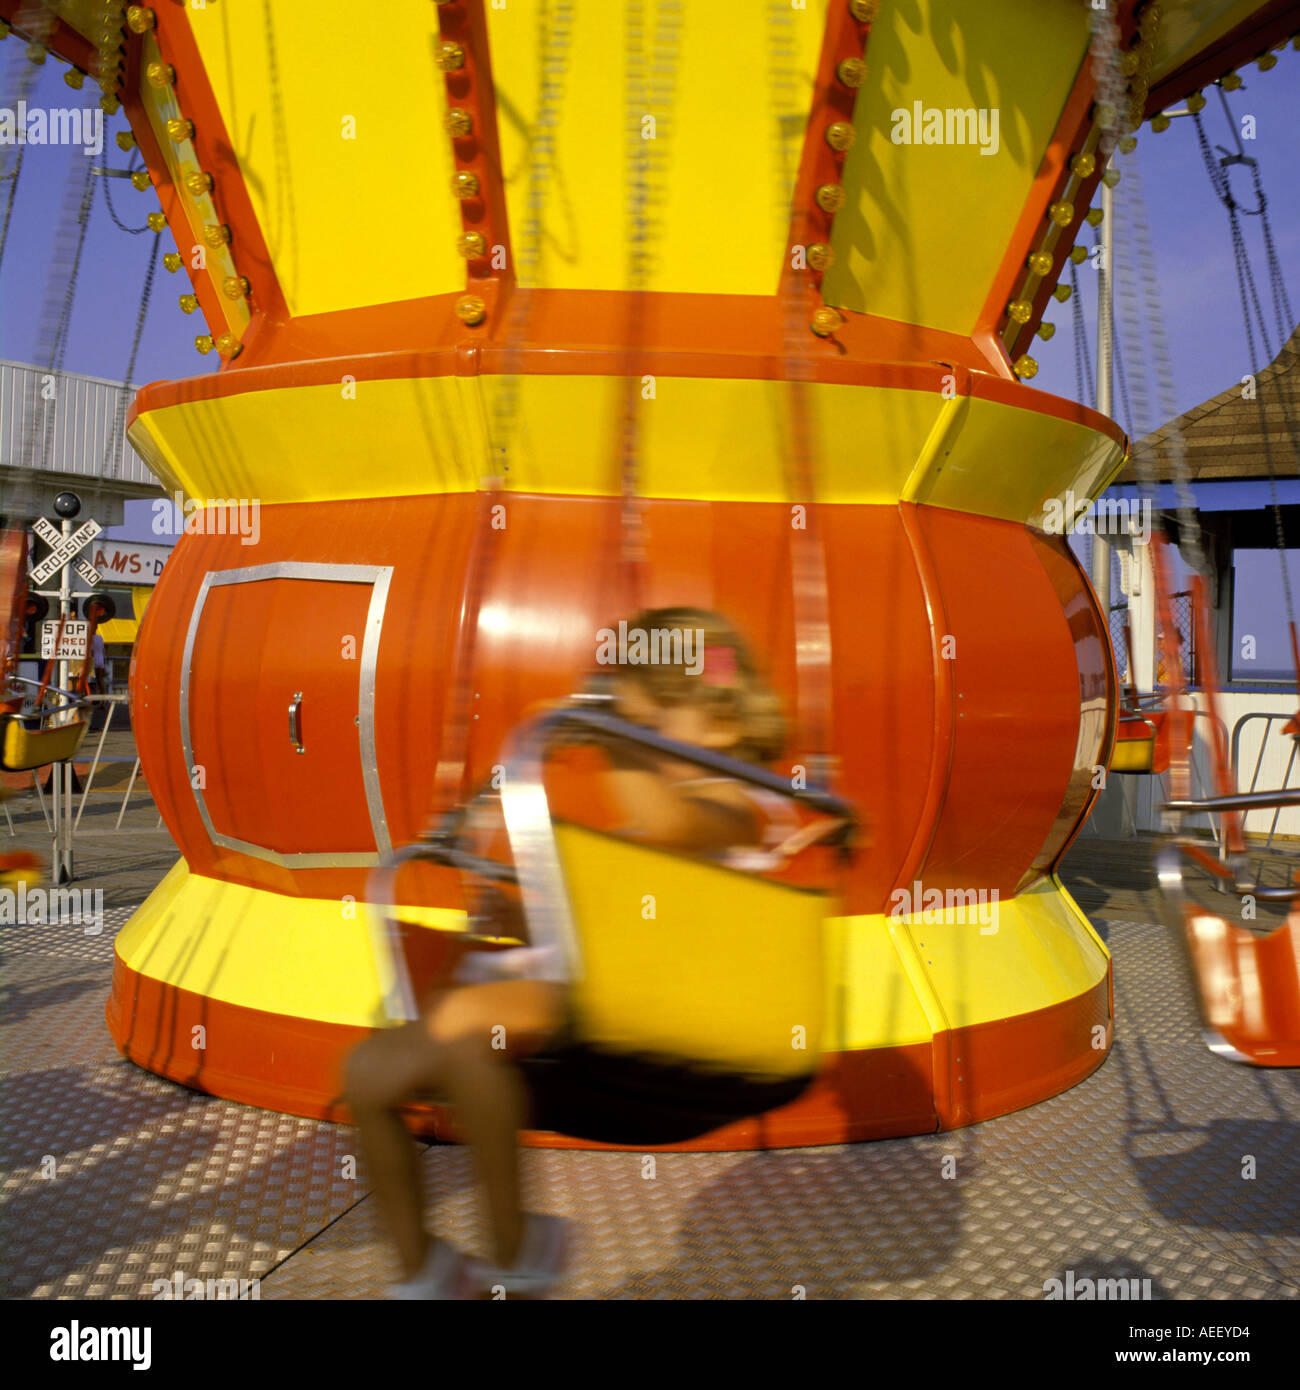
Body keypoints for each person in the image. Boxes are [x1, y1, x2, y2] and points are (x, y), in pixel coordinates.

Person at [343, 607, 788, 1299]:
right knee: (367, 1073)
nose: (633, 746)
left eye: (650, 728)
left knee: (465, 1026)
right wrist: (518, 914)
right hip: (596, 984)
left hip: (670, 1007)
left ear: (724, 724)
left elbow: (674, 826)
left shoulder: (744, 809)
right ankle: (424, 1267)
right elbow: (593, 921)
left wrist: (613, 736)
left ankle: (519, 1249)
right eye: (631, 729)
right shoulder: (651, 828)